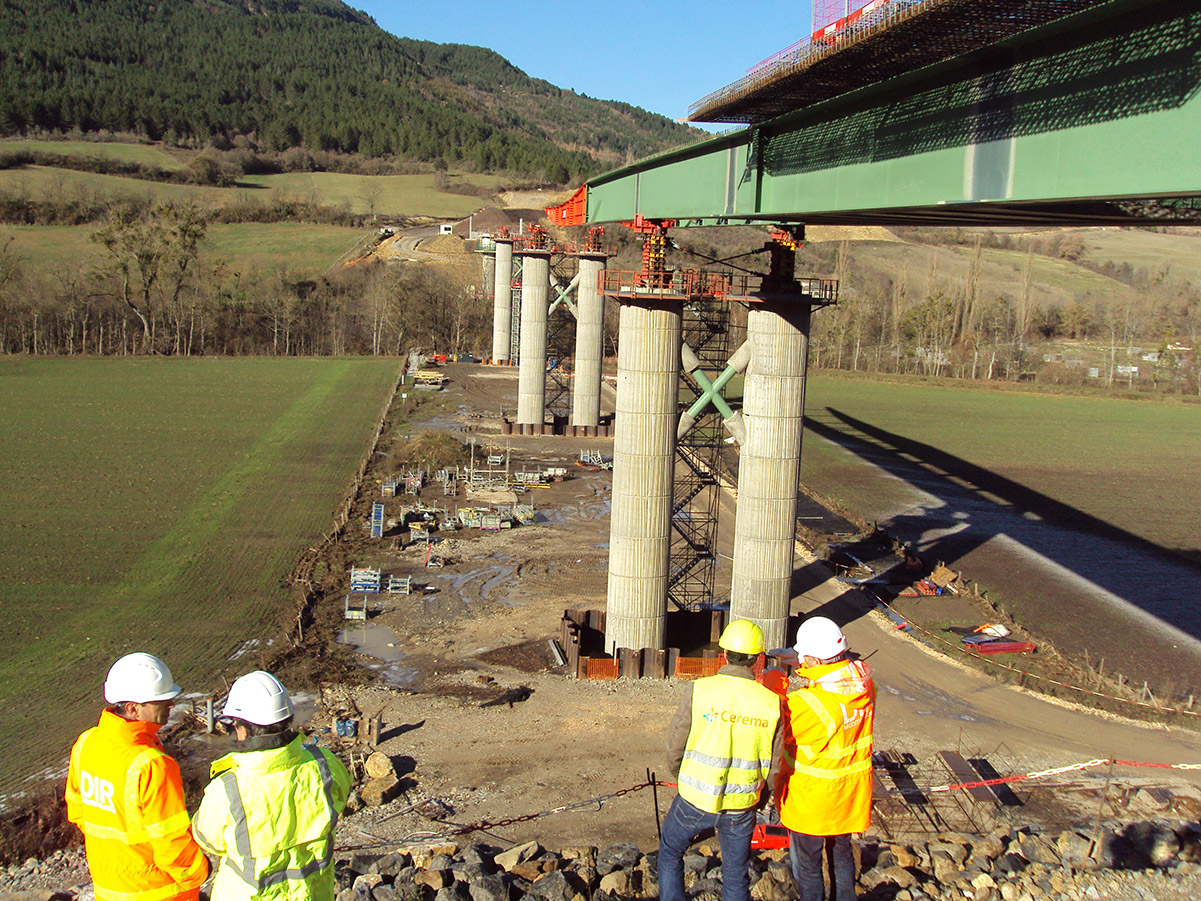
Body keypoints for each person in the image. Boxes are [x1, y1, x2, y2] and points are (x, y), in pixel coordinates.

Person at [193, 670, 351, 901]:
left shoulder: (228, 789)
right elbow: (342, 794)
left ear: (243, 729)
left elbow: (207, 839)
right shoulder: (325, 764)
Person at [65, 652, 210, 901]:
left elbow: (79, 813)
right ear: (133, 708)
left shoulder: (86, 743)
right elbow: (171, 843)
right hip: (159, 893)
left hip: (109, 890)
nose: (171, 705)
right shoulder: (152, 765)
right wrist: (200, 872)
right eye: (161, 700)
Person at [661, 620, 785, 901]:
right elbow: (776, 767)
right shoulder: (771, 702)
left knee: (670, 853)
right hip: (741, 805)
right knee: (735, 872)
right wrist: (762, 797)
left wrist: (684, 778)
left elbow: (674, 746)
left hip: (695, 798)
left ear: (725, 653)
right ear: (757, 659)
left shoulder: (700, 690)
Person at [775, 617, 876, 901]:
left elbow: (775, 725)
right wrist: (804, 665)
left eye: (805, 658)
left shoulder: (808, 705)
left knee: (807, 864)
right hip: (849, 795)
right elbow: (840, 678)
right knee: (841, 853)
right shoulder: (865, 686)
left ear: (816, 660)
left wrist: (777, 683)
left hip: (813, 800)